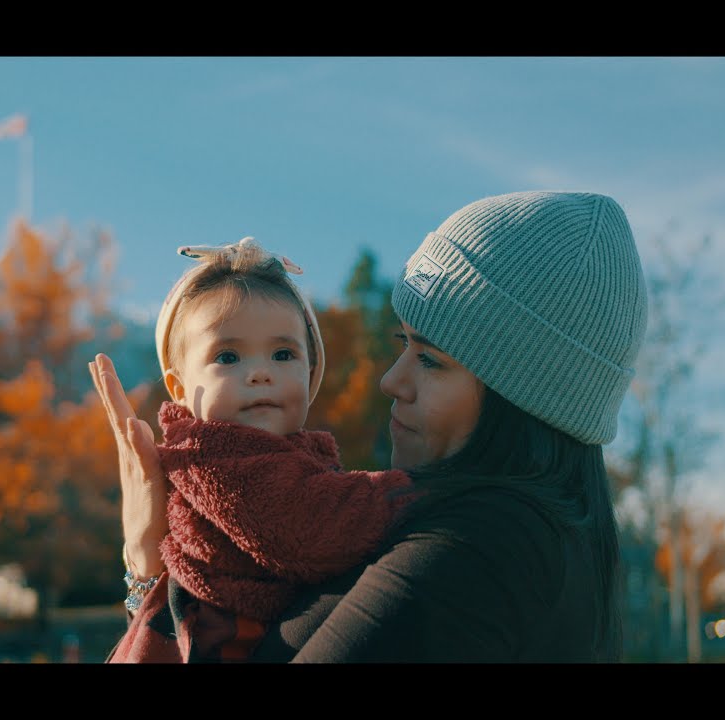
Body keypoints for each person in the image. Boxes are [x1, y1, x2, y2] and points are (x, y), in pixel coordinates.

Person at [91, 190, 648, 662]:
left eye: (430, 360)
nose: (390, 380)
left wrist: (144, 566)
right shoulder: (543, 545)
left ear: (524, 391)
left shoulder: (473, 553)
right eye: (402, 344)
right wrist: (146, 563)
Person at [98, 237, 412, 663]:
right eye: (228, 357)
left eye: (283, 354)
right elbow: (309, 523)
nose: (261, 373)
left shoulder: (279, 453)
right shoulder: (213, 456)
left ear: (311, 373)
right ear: (180, 388)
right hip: (218, 642)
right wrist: (411, 493)